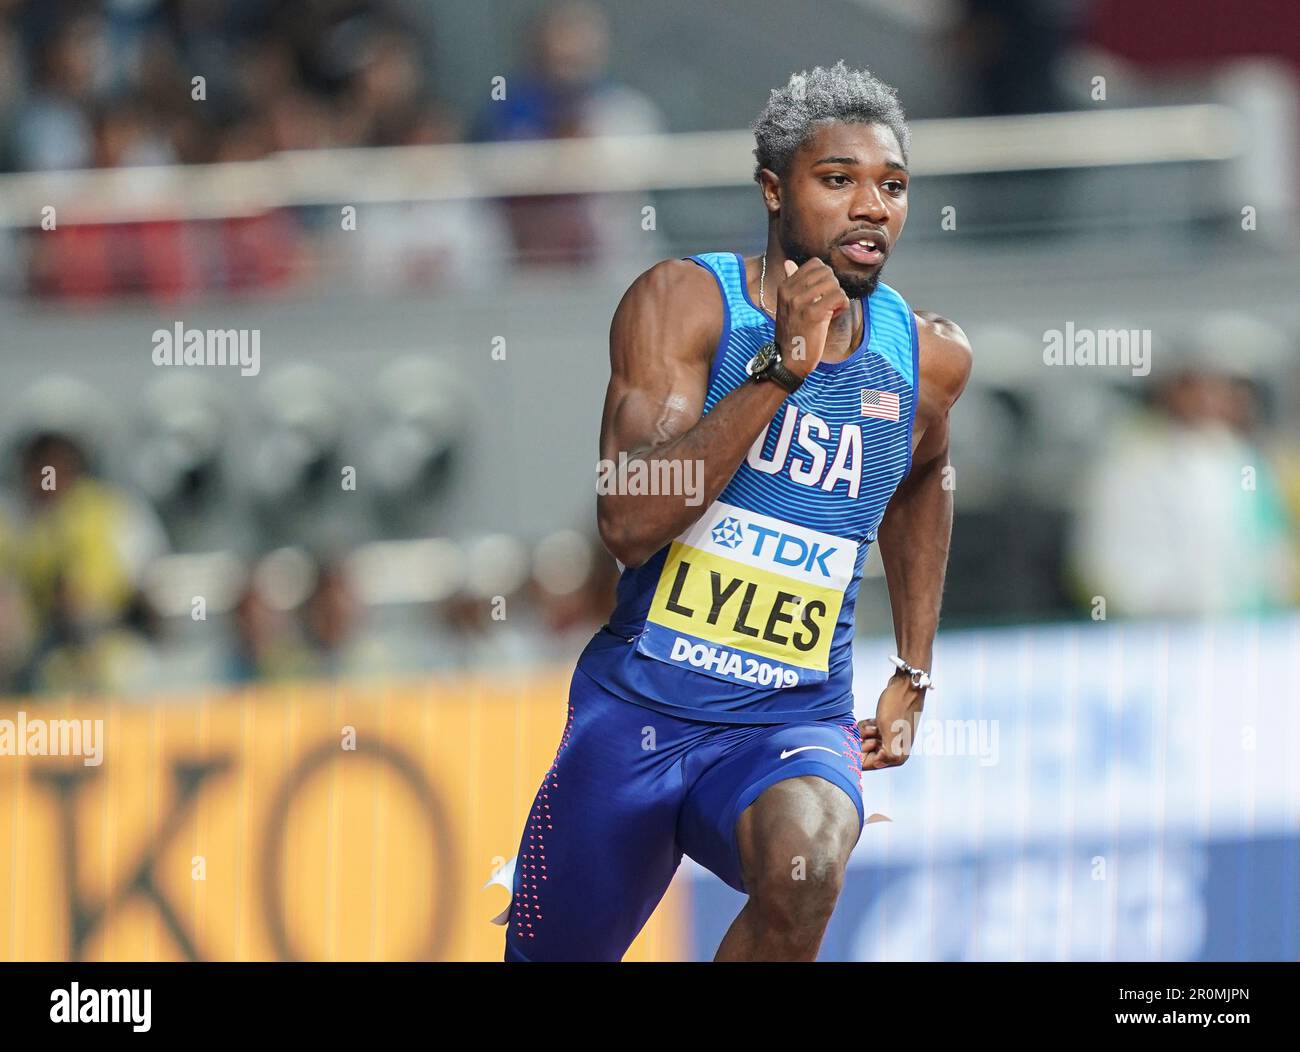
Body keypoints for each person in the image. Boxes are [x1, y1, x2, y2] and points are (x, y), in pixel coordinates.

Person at [502, 61, 972, 962]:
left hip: (791, 722)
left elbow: (923, 479)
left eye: (893, 187)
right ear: (772, 188)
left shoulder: (928, 358)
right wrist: (781, 374)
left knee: (812, 862)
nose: (871, 207)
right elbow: (629, 524)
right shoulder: (685, 304)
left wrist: (913, 668)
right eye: (838, 181)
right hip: (637, 712)